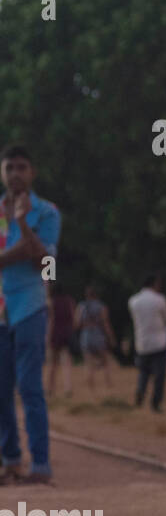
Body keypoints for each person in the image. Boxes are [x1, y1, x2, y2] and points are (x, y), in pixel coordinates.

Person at [0, 144, 61, 484]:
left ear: (32, 172)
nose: (15, 174)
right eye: (9, 167)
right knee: (0, 390)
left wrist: (23, 224)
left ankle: (39, 465)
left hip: (30, 308)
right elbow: (32, 255)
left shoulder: (47, 212)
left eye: (22, 167)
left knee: (30, 387)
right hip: (0, 309)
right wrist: (21, 251)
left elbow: (47, 268)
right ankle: (10, 460)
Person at [128, 274, 166, 412]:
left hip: (142, 341)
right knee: (159, 375)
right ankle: (155, 403)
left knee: (143, 372)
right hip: (158, 342)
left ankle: (140, 392)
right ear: (155, 284)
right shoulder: (160, 300)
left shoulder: (133, 301)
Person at [74, 285, 115, 392]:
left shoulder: (81, 306)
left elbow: (77, 323)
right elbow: (106, 323)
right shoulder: (101, 306)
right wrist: (111, 337)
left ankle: (90, 386)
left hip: (86, 335)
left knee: (88, 362)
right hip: (98, 334)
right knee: (105, 361)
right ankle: (108, 383)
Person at [46, 283, 76, 397]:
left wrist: (48, 336)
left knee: (53, 363)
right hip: (67, 333)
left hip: (55, 333)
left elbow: (51, 320)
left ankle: (50, 388)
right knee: (67, 362)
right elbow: (73, 319)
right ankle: (68, 388)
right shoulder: (70, 301)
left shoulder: (51, 302)